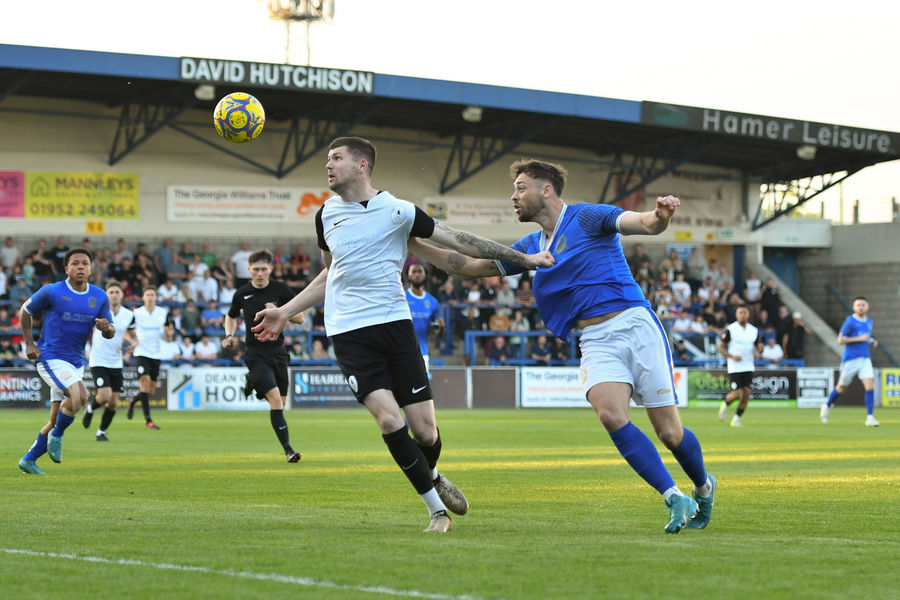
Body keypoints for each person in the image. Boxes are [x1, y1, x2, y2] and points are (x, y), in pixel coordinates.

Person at [252, 136, 552, 533]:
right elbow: (330, 273)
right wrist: (285, 312)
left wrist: (524, 258)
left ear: (362, 166)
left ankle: (433, 472)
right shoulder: (325, 215)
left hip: (395, 326)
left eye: (336, 158)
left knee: (425, 432)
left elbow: (461, 242)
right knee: (389, 420)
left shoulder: (398, 211)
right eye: (328, 159)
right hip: (349, 332)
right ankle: (436, 512)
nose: (328, 165)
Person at [409, 158, 715, 533]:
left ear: (546, 190)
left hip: (635, 325)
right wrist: (415, 244)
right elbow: (470, 266)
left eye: (521, 187)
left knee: (670, 434)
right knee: (610, 415)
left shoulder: (587, 217)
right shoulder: (530, 246)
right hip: (594, 339)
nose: (514, 196)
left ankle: (703, 486)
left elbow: (642, 223)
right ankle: (673, 497)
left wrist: (661, 216)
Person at [17, 248, 115, 474]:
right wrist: (29, 343)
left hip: (75, 363)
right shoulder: (51, 291)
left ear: (91, 269)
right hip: (50, 357)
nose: (80, 267)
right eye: (75, 263)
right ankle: (58, 437)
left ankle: (29, 459)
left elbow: (110, 330)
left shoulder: (99, 296)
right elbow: (25, 311)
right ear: (66, 269)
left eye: (84, 263)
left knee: (57, 417)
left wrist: (106, 328)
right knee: (81, 395)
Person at [223, 249, 304, 462]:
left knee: (280, 404)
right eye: (255, 269)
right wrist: (229, 335)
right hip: (255, 353)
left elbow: (301, 318)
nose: (260, 273)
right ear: (249, 270)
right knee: (276, 400)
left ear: (271, 269)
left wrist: (280, 310)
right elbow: (230, 316)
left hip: (278, 353)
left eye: (263, 269)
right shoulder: (242, 293)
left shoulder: (281, 290)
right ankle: (289, 450)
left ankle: (253, 383)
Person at [82, 280, 135, 442]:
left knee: (113, 403)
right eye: (111, 292)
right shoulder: (97, 311)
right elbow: (84, 331)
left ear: (122, 295)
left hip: (116, 362)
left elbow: (132, 335)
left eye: (117, 292)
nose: (114, 295)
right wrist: (85, 350)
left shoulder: (128, 315)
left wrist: (133, 345)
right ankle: (90, 407)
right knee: (104, 395)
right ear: (106, 295)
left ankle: (101, 432)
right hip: (98, 360)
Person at [821, 297, 879, 426]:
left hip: (865, 358)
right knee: (841, 388)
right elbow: (840, 340)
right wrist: (859, 338)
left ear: (867, 307)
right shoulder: (850, 321)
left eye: (863, 305)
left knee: (870, 386)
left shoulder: (869, 322)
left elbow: (866, 336)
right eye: (858, 305)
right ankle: (827, 405)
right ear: (854, 307)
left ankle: (870, 417)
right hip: (851, 359)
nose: (861, 307)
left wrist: (871, 341)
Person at [127, 288, 166, 429]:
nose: (150, 297)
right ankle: (148, 421)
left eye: (152, 295)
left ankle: (133, 401)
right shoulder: (136, 313)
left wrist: (169, 333)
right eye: (147, 295)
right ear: (143, 297)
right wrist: (133, 342)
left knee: (150, 391)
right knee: (145, 383)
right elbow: (128, 329)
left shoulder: (163, 312)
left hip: (156, 353)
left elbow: (168, 331)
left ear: (156, 297)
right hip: (141, 352)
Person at [717, 305, 758, 427]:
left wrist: (759, 351)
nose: (743, 315)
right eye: (741, 313)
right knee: (737, 393)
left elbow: (757, 347)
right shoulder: (731, 329)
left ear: (748, 314)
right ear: (736, 315)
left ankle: (736, 419)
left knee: (746, 392)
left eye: (745, 312)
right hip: (735, 366)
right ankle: (725, 404)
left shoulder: (753, 330)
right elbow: (720, 347)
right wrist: (731, 356)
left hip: (748, 365)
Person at [404, 262, 444, 375]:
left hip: (422, 354)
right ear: (408, 276)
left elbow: (439, 334)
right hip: (401, 354)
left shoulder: (432, 302)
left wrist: (442, 328)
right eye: (414, 272)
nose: (417, 274)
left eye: (420, 271)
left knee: (422, 392)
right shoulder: (401, 298)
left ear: (425, 275)